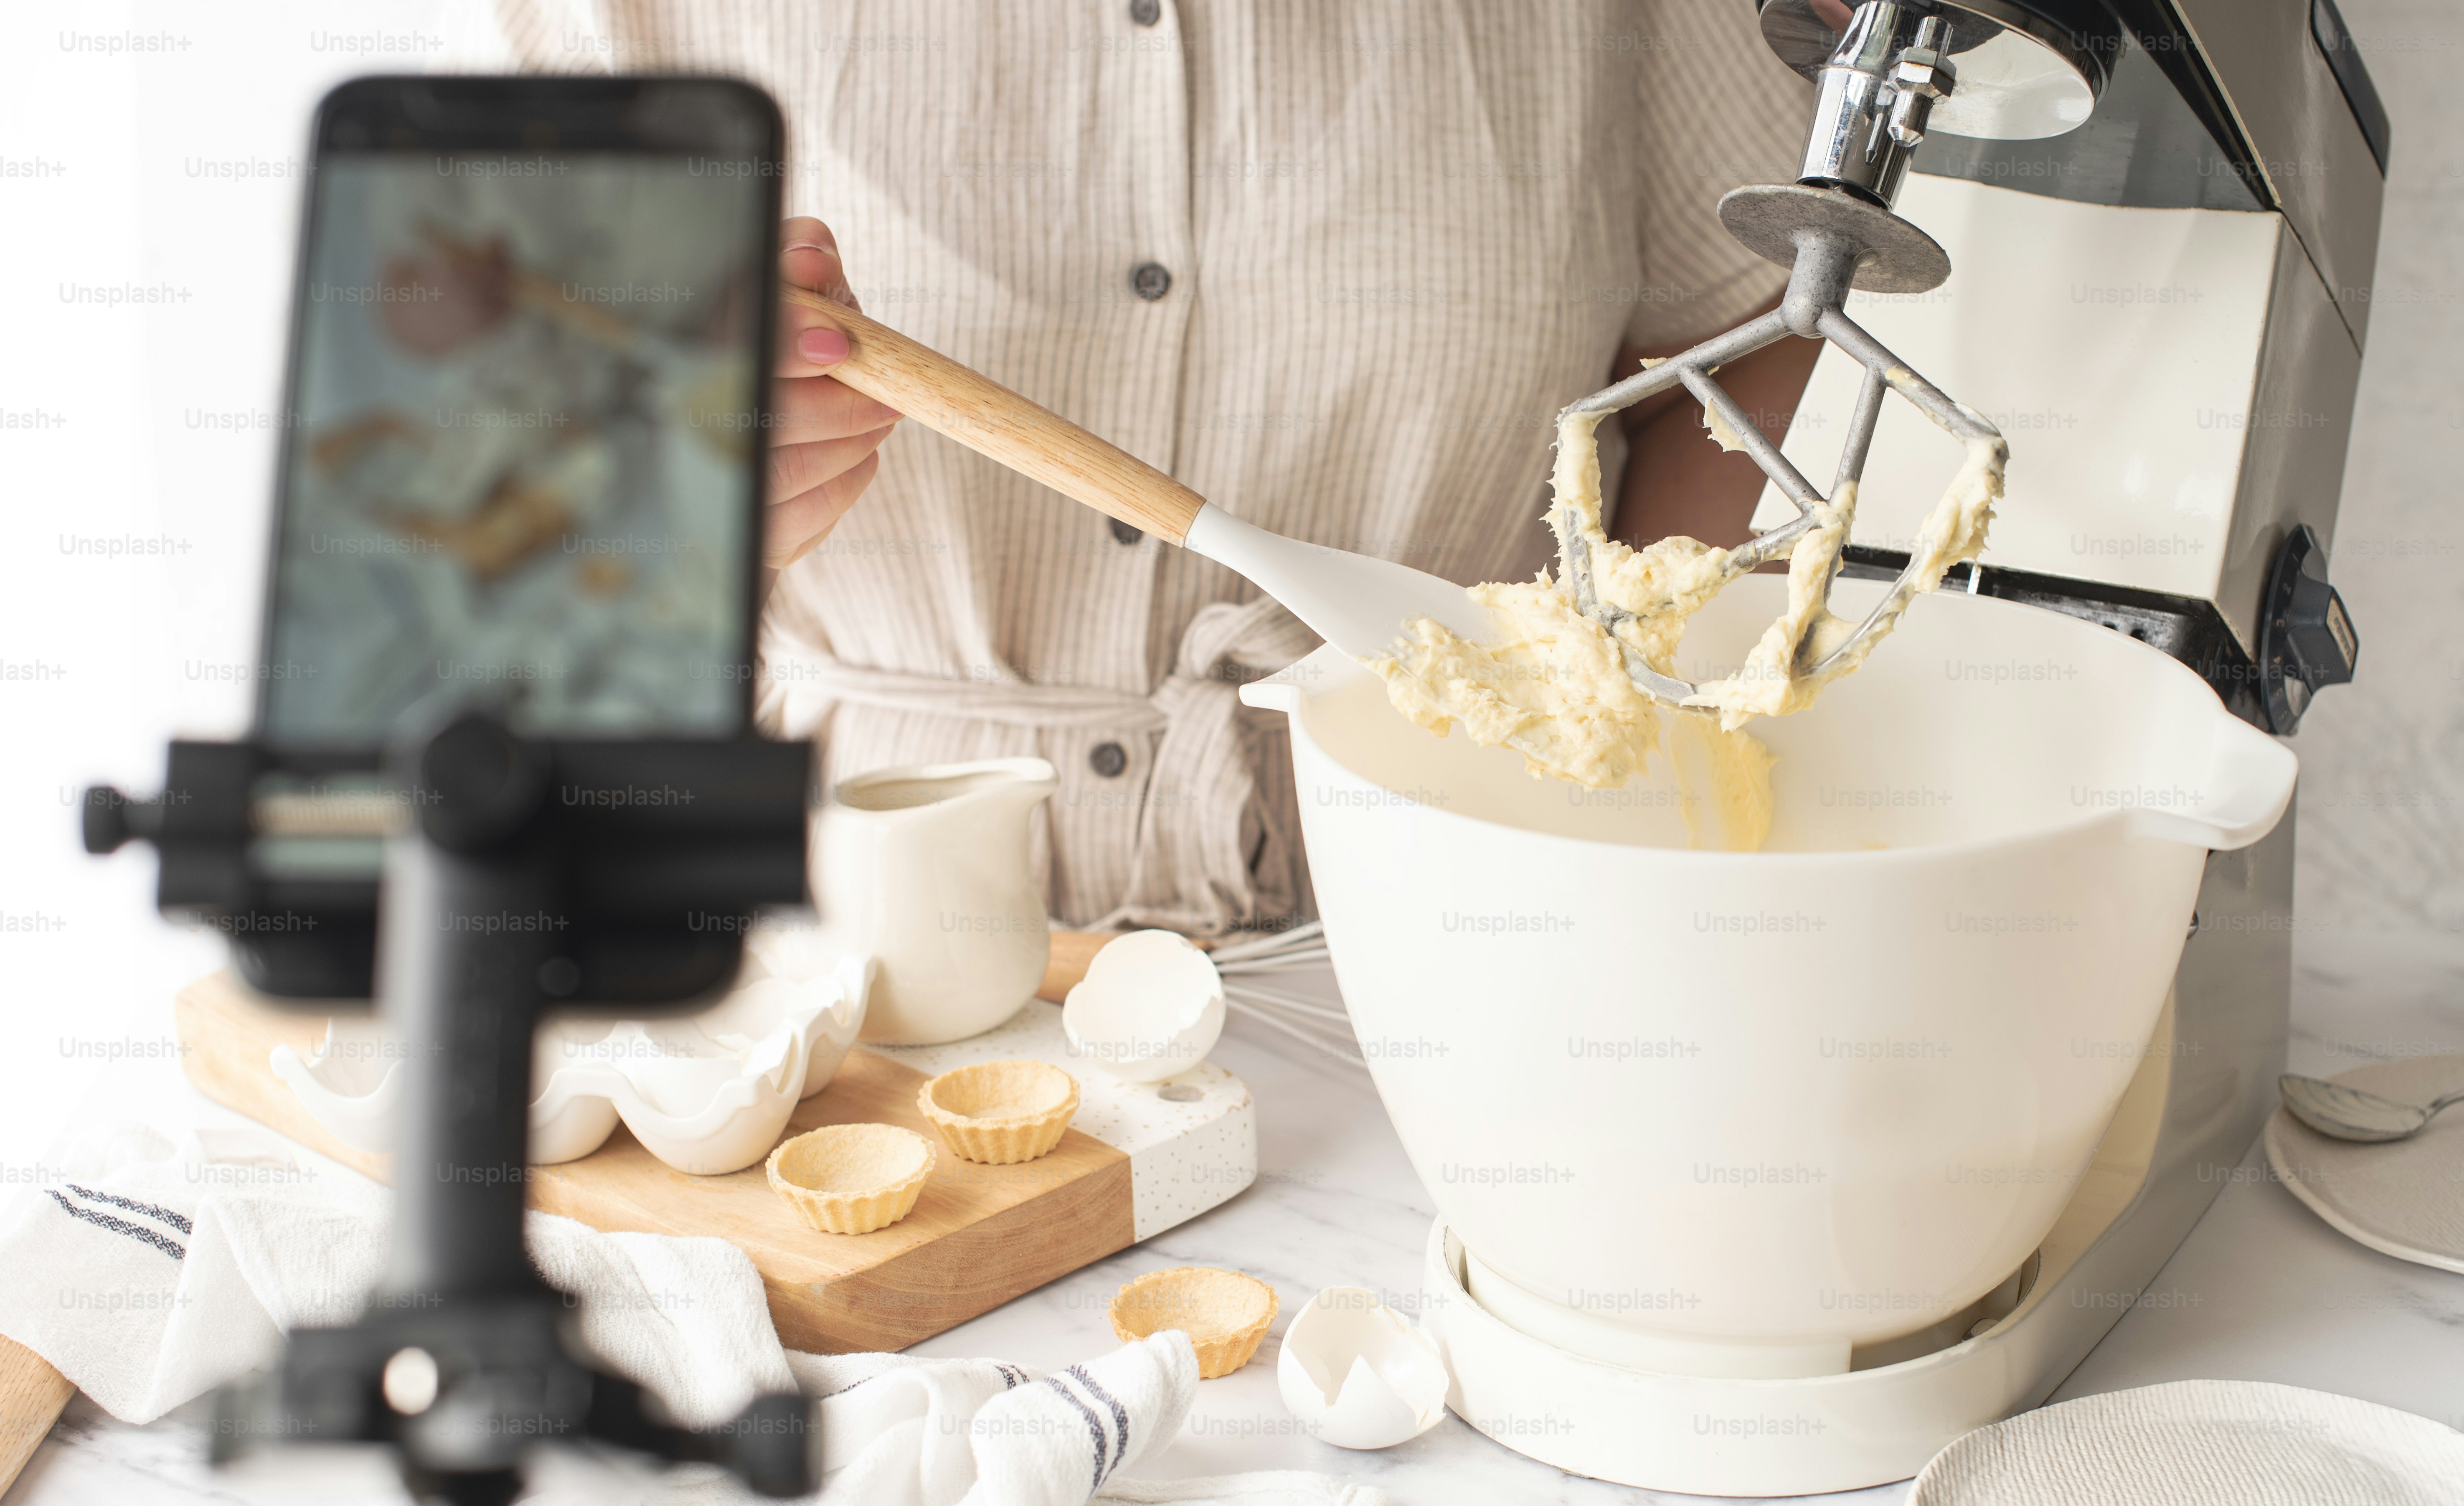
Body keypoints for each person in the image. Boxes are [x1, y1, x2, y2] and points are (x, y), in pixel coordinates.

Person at [456, 1, 1820, 935]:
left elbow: (1752, 334)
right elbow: (459, 537)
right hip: (814, 946)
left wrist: (1592, 686)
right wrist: (649, 516)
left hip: (1437, 923)